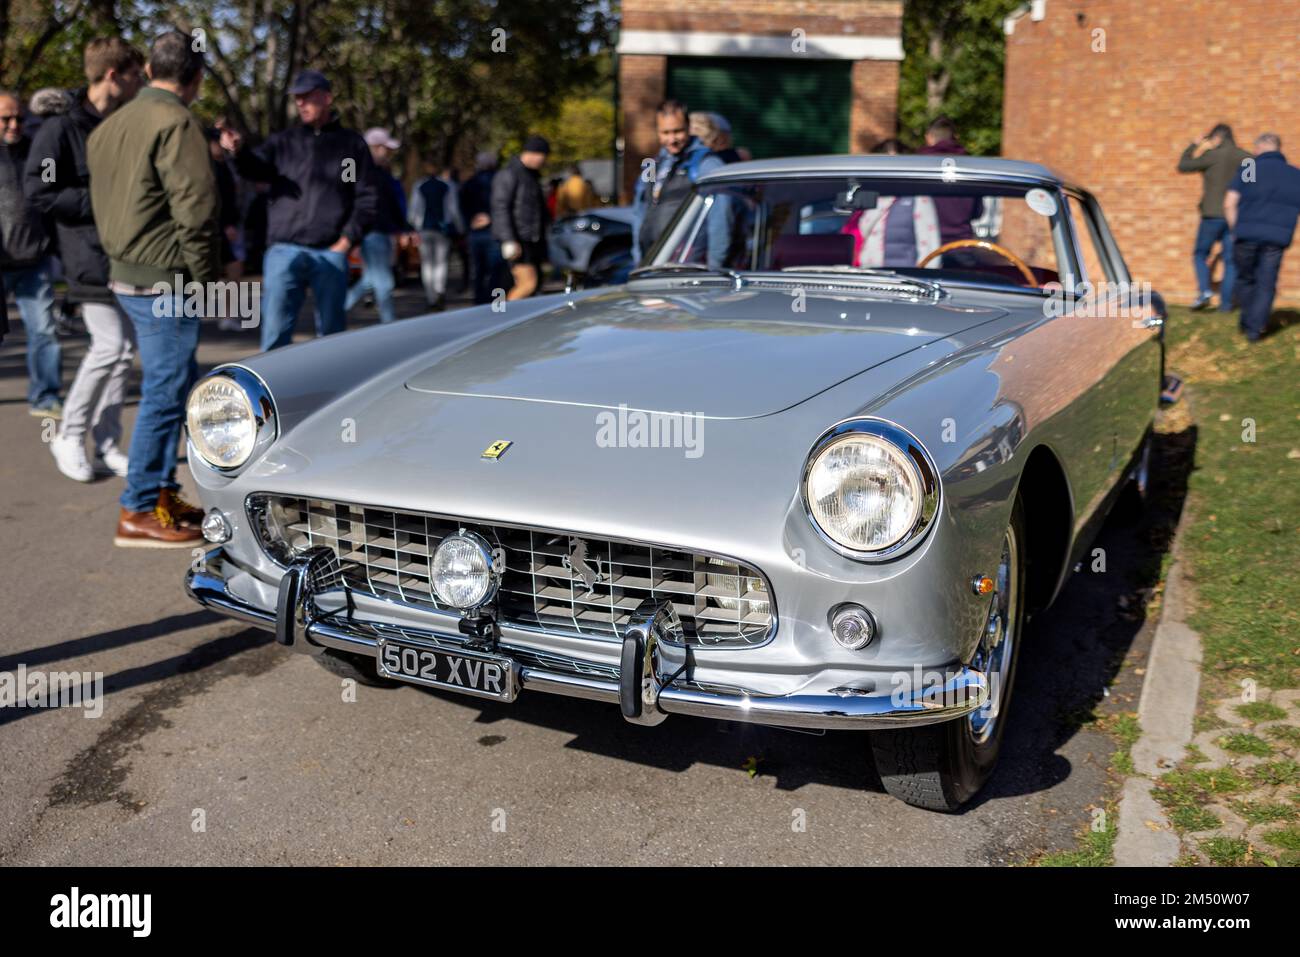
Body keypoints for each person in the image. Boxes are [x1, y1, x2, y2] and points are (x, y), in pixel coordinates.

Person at [87, 29, 220, 547]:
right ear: (196, 78)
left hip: (126, 273)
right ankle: (137, 506)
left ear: (148, 71)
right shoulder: (176, 120)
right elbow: (197, 208)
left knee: (176, 384)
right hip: (164, 279)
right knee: (166, 393)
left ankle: (160, 493)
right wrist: (206, 278)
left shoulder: (110, 125)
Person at [27, 36, 145, 482]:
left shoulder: (120, 123)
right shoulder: (59, 129)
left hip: (124, 253)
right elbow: (40, 191)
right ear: (113, 76)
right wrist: (100, 199)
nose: (139, 83)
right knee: (110, 346)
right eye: (134, 75)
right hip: (84, 254)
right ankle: (70, 436)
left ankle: (108, 443)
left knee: (123, 351)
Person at [221, 69, 377, 350]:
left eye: (307, 97)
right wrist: (238, 150)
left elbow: (365, 196)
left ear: (327, 98)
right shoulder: (284, 142)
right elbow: (255, 169)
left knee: (332, 337)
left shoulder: (351, 145)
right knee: (275, 331)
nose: (301, 104)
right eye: (297, 99)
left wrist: (346, 242)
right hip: (284, 250)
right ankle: (273, 391)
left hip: (331, 252)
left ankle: (332, 390)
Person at [0, 90, 62, 418]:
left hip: (34, 261)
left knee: (44, 331)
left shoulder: (35, 152)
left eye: (19, 118)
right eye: (5, 119)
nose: (14, 125)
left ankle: (45, 396)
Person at [631, 100, 727, 266]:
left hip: (686, 264)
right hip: (651, 261)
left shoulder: (706, 162)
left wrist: (715, 264)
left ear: (688, 127)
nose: (672, 139)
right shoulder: (651, 164)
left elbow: (721, 215)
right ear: (657, 131)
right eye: (665, 132)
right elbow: (640, 209)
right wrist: (637, 255)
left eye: (677, 131)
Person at [1224, 133, 1300, 342]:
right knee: (1266, 282)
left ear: (1259, 148)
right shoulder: (1294, 174)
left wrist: (1234, 229)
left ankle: (1248, 320)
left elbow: (1230, 202)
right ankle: (1255, 329)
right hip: (1277, 238)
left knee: (1246, 278)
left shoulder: (1251, 169)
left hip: (1246, 235)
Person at [1178, 123, 1251, 311]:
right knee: (1230, 261)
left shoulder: (1211, 156)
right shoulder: (1246, 158)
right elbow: (1254, 182)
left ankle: (1205, 292)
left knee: (1200, 254)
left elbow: (1184, 165)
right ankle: (1226, 305)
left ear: (1217, 138)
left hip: (1212, 216)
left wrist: (1195, 145)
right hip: (1235, 216)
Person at [345, 127, 406, 323]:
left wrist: (404, 227)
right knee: (384, 283)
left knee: (371, 279)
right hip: (373, 233)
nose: (389, 153)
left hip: (380, 231)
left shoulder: (380, 173)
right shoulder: (362, 171)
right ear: (376, 147)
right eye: (386, 149)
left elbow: (391, 205)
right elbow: (352, 201)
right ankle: (389, 324)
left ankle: (336, 310)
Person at [491, 135, 551, 300]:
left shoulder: (531, 176)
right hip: (517, 239)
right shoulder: (510, 174)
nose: (543, 161)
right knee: (527, 284)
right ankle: (504, 318)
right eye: (543, 156)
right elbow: (500, 207)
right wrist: (508, 239)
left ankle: (501, 314)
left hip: (529, 239)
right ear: (534, 153)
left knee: (513, 284)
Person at [409, 159, 464, 310]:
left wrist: (413, 227)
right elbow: (453, 210)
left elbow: (414, 210)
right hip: (442, 229)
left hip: (424, 230)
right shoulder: (447, 186)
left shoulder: (420, 185)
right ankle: (439, 291)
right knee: (441, 263)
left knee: (427, 264)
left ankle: (431, 297)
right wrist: (460, 228)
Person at [459, 151, 501, 304]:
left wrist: (470, 221)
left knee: (479, 272)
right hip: (493, 232)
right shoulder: (498, 181)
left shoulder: (469, 183)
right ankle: (498, 307)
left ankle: (478, 305)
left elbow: (461, 206)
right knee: (497, 273)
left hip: (476, 233)